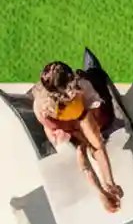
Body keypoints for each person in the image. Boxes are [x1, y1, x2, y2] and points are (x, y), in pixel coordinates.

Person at [31, 62, 125, 212]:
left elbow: (50, 127)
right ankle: (107, 187)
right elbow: (98, 147)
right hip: (77, 123)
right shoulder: (81, 96)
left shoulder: (39, 106)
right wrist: (109, 182)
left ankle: (103, 190)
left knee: (81, 150)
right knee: (92, 145)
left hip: (63, 131)